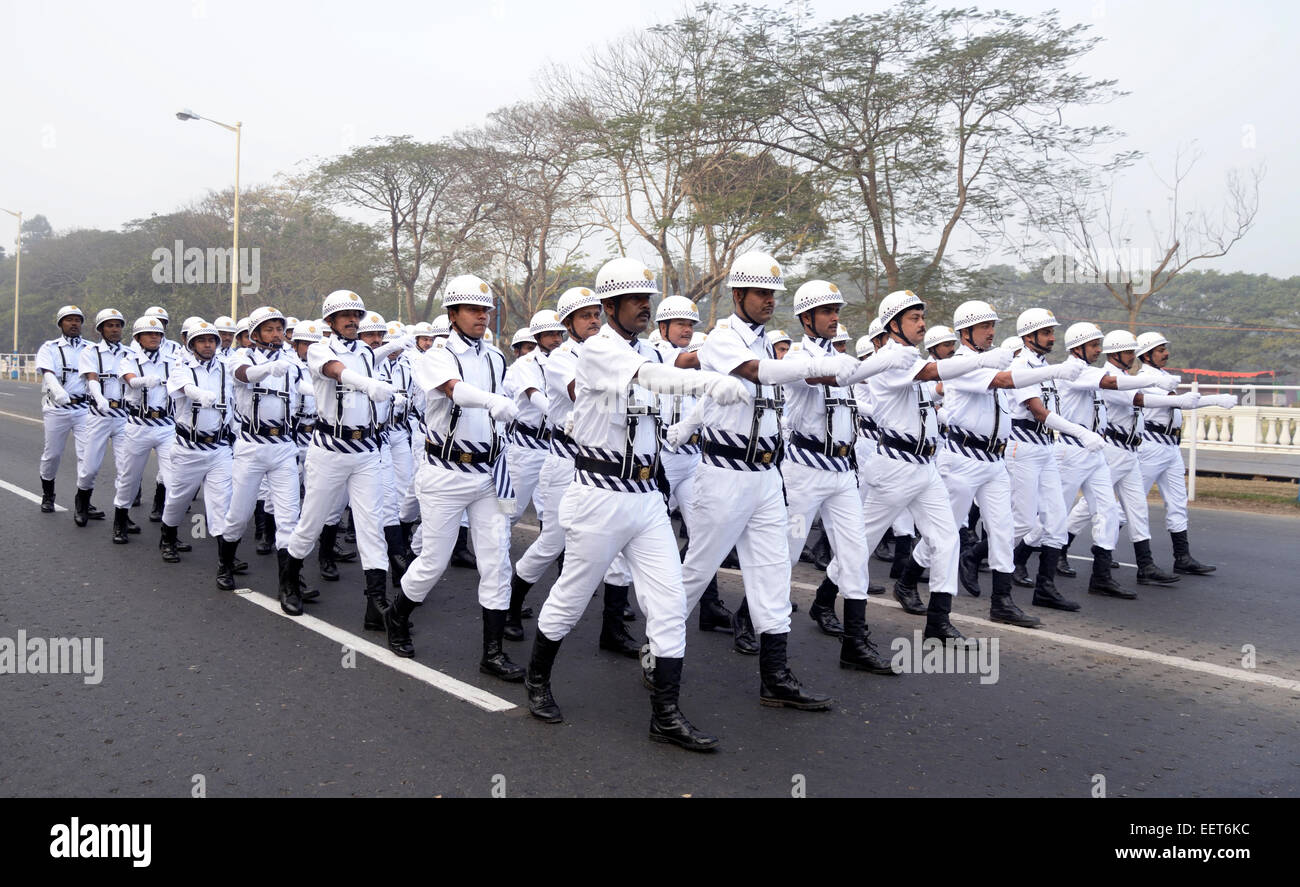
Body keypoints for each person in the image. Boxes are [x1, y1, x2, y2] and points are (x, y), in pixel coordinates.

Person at [523, 256, 749, 750]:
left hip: (646, 496)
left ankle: (665, 714)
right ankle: (537, 680)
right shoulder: (598, 351)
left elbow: (671, 371)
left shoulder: (645, 348)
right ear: (608, 306)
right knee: (571, 597)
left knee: (668, 606)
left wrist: (716, 365)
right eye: (635, 300)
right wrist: (711, 382)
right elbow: (654, 379)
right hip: (599, 496)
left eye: (647, 300)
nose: (644, 307)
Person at [679, 251, 839, 709]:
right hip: (725, 473)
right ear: (738, 295)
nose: (769, 301)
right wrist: (818, 368)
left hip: (766, 474)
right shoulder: (722, 339)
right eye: (761, 293)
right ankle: (658, 646)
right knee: (697, 571)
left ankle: (776, 677)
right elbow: (756, 373)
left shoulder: (769, 341)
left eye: (773, 294)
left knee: (772, 577)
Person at [384, 275, 526, 682]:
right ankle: (398, 615)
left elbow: (497, 414)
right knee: (434, 560)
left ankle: (493, 654)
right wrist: (494, 402)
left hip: (486, 472)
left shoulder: (496, 357)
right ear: (453, 314)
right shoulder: (437, 354)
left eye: (486, 310)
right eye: (474, 310)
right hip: (444, 472)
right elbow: (454, 390)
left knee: (497, 561)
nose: (483, 316)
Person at [908, 301, 1081, 626]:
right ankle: (908, 578)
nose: (991, 332)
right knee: (944, 536)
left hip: (994, 460)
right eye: (985, 326)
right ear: (966, 331)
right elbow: (1003, 381)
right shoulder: (959, 363)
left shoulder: (990, 362)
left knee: (1004, 531)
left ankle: (1001, 601)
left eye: (992, 326)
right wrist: (1055, 370)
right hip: (961, 460)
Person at [779, 280, 911, 671]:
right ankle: (751, 621)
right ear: (806, 318)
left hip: (841, 471)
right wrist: (883, 359)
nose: (835, 318)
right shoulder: (797, 359)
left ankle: (855, 643)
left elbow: (849, 389)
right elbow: (826, 377)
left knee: (854, 555)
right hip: (803, 470)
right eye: (827, 312)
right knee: (784, 553)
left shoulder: (841, 357)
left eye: (837, 311)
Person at [508, 288, 638, 655]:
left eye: (596, 314)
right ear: (568, 325)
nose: (594, 320)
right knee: (553, 543)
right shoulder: (560, 359)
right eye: (585, 317)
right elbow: (588, 396)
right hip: (565, 465)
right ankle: (511, 607)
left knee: (618, 552)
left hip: (607, 467)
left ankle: (611, 630)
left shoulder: (618, 351)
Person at [280, 292, 396, 620]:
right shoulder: (319, 348)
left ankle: (375, 602)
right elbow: (334, 370)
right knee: (312, 521)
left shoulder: (365, 351)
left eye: (356, 315)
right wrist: (365, 384)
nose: (352, 320)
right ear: (330, 321)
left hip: (365, 450)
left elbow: (372, 368)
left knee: (371, 525)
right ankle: (289, 581)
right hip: (330, 449)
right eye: (344, 315)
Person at [1045, 322, 1178, 600]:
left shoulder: (1097, 371)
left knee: (1124, 510)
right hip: (1091, 449)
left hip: (1118, 451)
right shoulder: (1082, 373)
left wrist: (1188, 400)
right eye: (1094, 346)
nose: (1133, 355)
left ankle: (1127, 569)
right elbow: (1133, 396)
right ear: (1079, 347)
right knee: (1054, 515)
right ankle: (1024, 559)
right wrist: (1157, 383)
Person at [1062, 330, 1203, 586]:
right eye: (1128, 352)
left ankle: (1145, 564)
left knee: (1138, 509)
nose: (1132, 356)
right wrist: (1174, 395)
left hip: (1131, 450)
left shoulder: (1124, 376)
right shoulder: (1107, 377)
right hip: (1113, 448)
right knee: (1089, 507)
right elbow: (1138, 400)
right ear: (1115, 354)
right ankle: (1060, 550)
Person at [217, 306, 314, 596]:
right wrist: (268, 369)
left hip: (284, 446)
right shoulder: (240, 356)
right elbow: (243, 376)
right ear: (255, 333)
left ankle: (289, 584)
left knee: (289, 518)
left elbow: (305, 389)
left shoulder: (291, 362)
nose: (276, 334)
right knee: (239, 513)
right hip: (251, 445)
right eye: (269, 329)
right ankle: (225, 564)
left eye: (279, 329)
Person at [160, 320, 235, 566]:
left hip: (219, 449)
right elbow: (185, 387)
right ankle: (168, 537)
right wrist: (200, 394)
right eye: (201, 341)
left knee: (221, 504)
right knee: (178, 500)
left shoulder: (226, 367)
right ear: (192, 344)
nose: (207, 345)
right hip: (188, 448)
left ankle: (226, 561)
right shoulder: (181, 366)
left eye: (211, 340)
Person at [111, 315, 179, 544]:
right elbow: (129, 380)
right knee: (130, 477)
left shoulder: (173, 359)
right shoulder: (128, 358)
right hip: (138, 425)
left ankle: (170, 534)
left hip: (167, 426)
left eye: (158, 334)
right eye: (149, 334)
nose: (154, 337)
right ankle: (120, 521)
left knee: (173, 480)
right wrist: (143, 381)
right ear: (138, 337)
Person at [75, 308, 132, 528]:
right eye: (110, 325)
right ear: (100, 329)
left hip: (124, 417)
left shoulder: (130, 353)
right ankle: (82, 503)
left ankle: (122, 513)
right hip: (98, 415)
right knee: (90, 468)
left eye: (118, 325)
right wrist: (99, 398)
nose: (115, 329)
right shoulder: (91, 352)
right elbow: (92, 378)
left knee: (125, 468)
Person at [36, 306, 93, 515]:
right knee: (52, 455)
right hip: (56, 409)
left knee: (87, 455)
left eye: (78, 320)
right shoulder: (49, 348)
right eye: (69, 320)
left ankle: (84, 499)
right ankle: (48, 494)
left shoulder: (91, 348)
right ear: (61, 324)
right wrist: (59, 391)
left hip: (84, 409)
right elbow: (47, 373)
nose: (74, 323)